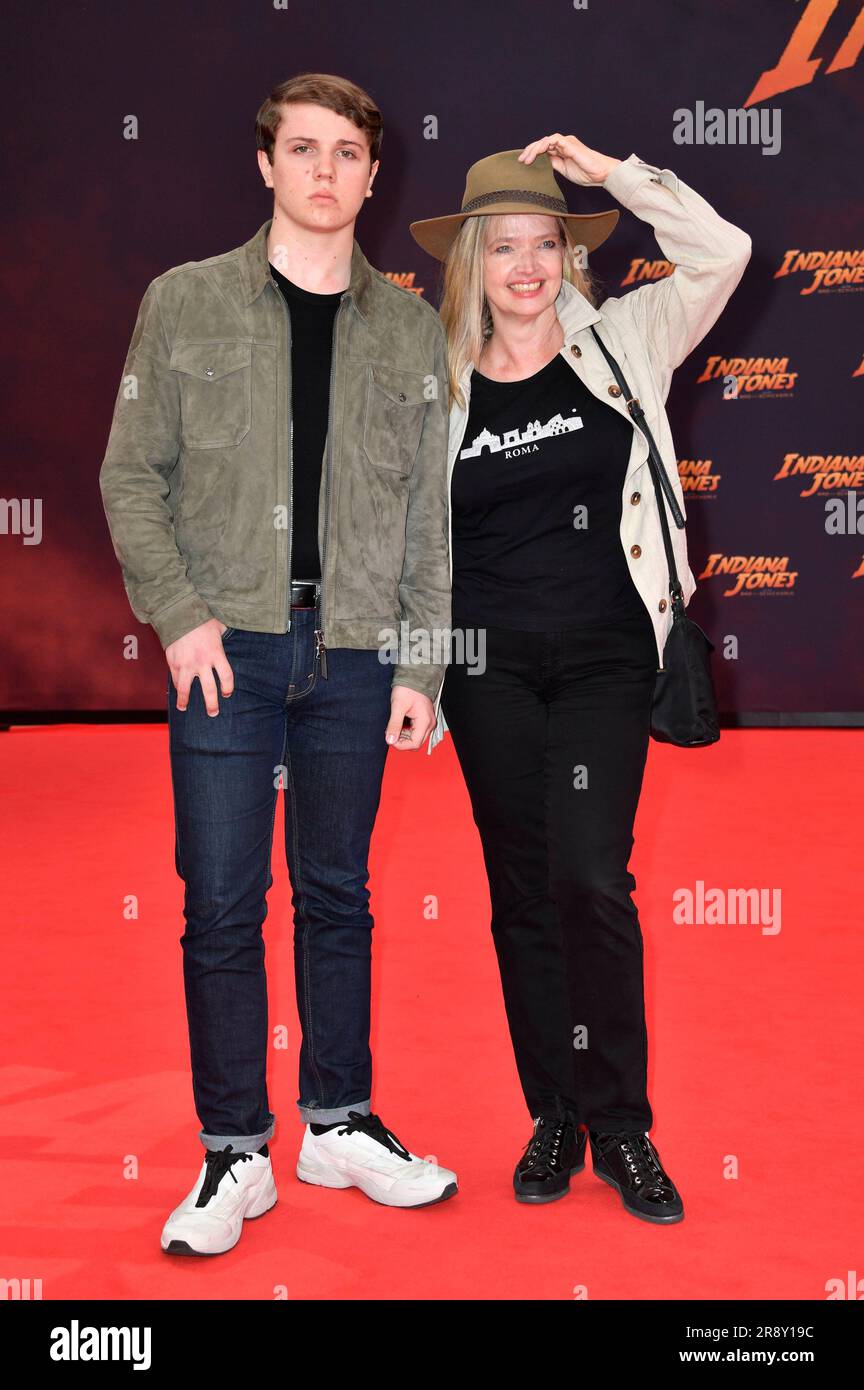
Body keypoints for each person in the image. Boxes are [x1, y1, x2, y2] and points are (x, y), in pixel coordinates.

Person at [99, 72, 456, 1256]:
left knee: (339, 893)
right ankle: (234, 1151)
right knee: (219, 901)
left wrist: (420, 664)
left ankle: (337, 1123)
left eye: (346, 153)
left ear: (373, 175)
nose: (324, 171)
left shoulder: (407, 329)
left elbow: (426, 519)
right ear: (265, 164)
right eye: (303, 149)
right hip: (227, 648)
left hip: (355, 653)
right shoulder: (186, 301)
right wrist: (178, 616)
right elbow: (130, 474)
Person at [411, 134, 751, 1222]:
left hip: (606, 653)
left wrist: (614, 177)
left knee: (592, 878)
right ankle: (554, 1111)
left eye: (544, 243)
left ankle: (624, 1124)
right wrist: (414, 665)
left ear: (569, 253)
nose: (526, 266)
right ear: (469, 261)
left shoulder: (628, 338)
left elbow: (725, 251)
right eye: (502, 246)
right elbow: (408, 534)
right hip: (488, 668)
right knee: (522, 889)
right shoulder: (435, 378)